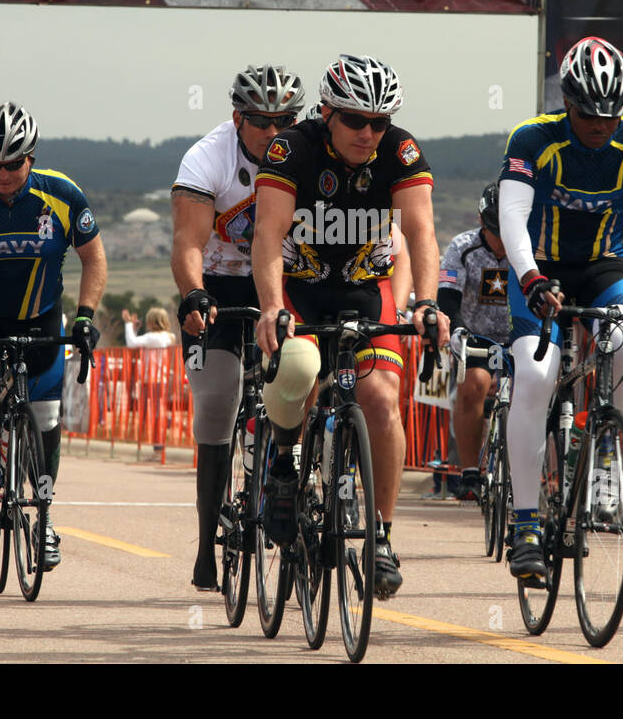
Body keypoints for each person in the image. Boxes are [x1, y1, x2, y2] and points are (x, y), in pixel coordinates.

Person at [499, 36, 623, 581]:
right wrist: (530, 277)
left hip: (604, 267)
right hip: (539, 267)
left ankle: (602, 446)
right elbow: (512, 218)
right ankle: (524, 524)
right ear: (567, 102)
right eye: (589, 113)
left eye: (611, 114)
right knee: (537, 376)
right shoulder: (532, 137)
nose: (600, 124)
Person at [252, 53, 449, 599]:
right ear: (326, 112)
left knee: (383, 399)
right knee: (297, 368)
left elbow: (422, 232)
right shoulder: (292, 147)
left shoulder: (400, 150)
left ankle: (382, 535)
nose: (369, 133)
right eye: (357, 121)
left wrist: (427, 303)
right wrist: (271, 307)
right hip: (301, 288)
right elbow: (267, 235)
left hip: (367, 289)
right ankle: (286, 463)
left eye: (379, 122)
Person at [0, 102, 107, 570]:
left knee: (47, 420)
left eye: (14, 163)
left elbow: (95, 259)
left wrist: (86, 316)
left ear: (31, 157)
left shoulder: (62, 195)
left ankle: (45, 517)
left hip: (42, 321)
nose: (4, 173)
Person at [171, 63, 304, 592]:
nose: (274, 133)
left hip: (284, 281)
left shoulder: (307, 153)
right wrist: (194, 295)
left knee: (300, 379)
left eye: (285, 121)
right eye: (260, 122)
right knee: (220, 398)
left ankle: (292, 478)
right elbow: (188, 244)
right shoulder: (209, 157)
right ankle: (208, 542)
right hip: (220, 288)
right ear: (236, 117)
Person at [438, 183, 511, 501]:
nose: (502, 241)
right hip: (477, 335)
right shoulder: (462, 246)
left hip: (516, 336)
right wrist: (458, 331)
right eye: (496, 231)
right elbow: (448, 296)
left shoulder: (531, 245)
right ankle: (469, 472)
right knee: (472, 386)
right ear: (482, 221)